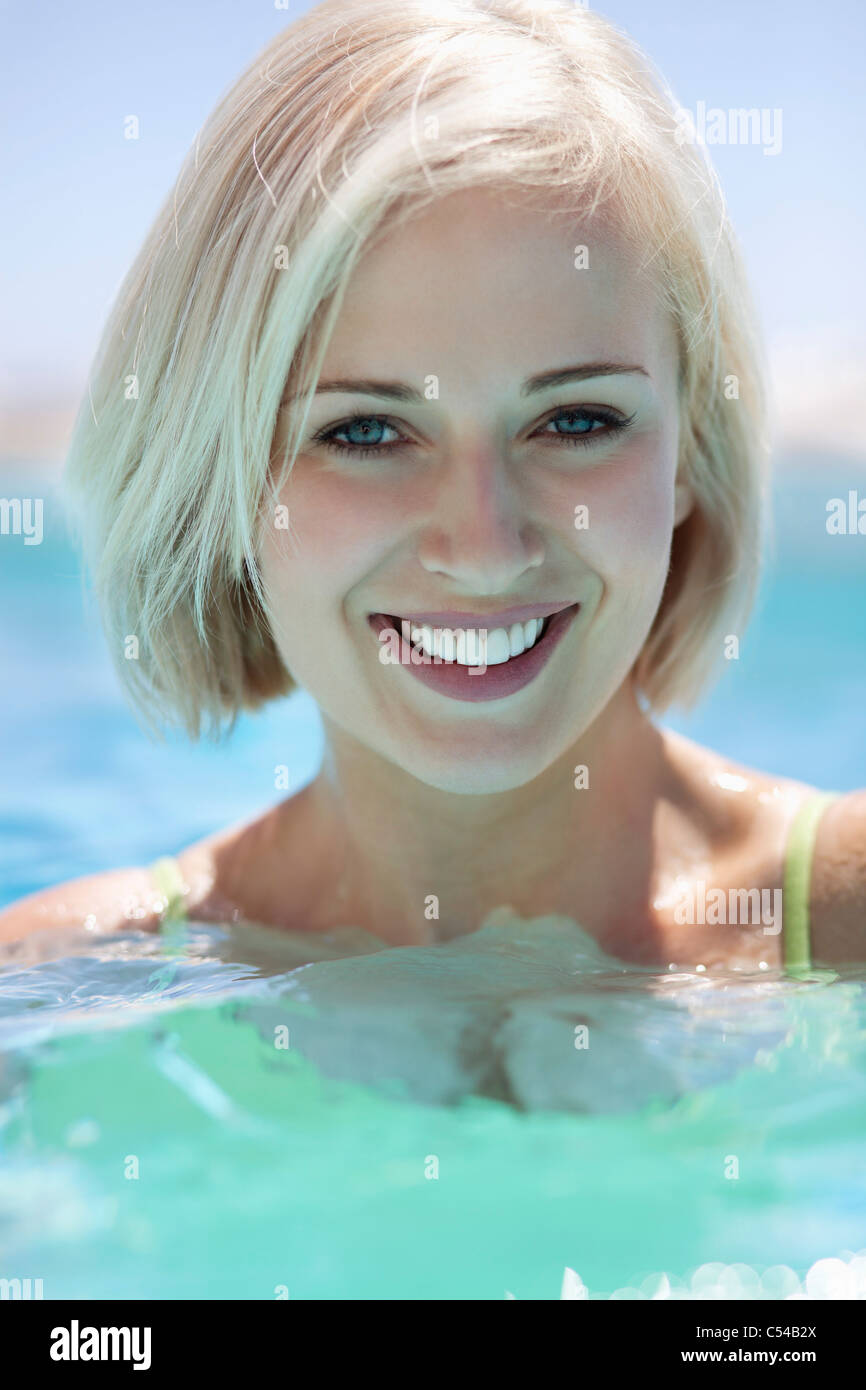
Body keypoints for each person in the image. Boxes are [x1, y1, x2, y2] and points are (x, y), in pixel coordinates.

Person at [2, 0, 863, 973]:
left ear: (688, 455)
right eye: (364, 431)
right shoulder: (61, 982)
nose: (485, 546)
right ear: (219, 485)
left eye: (575, 420)